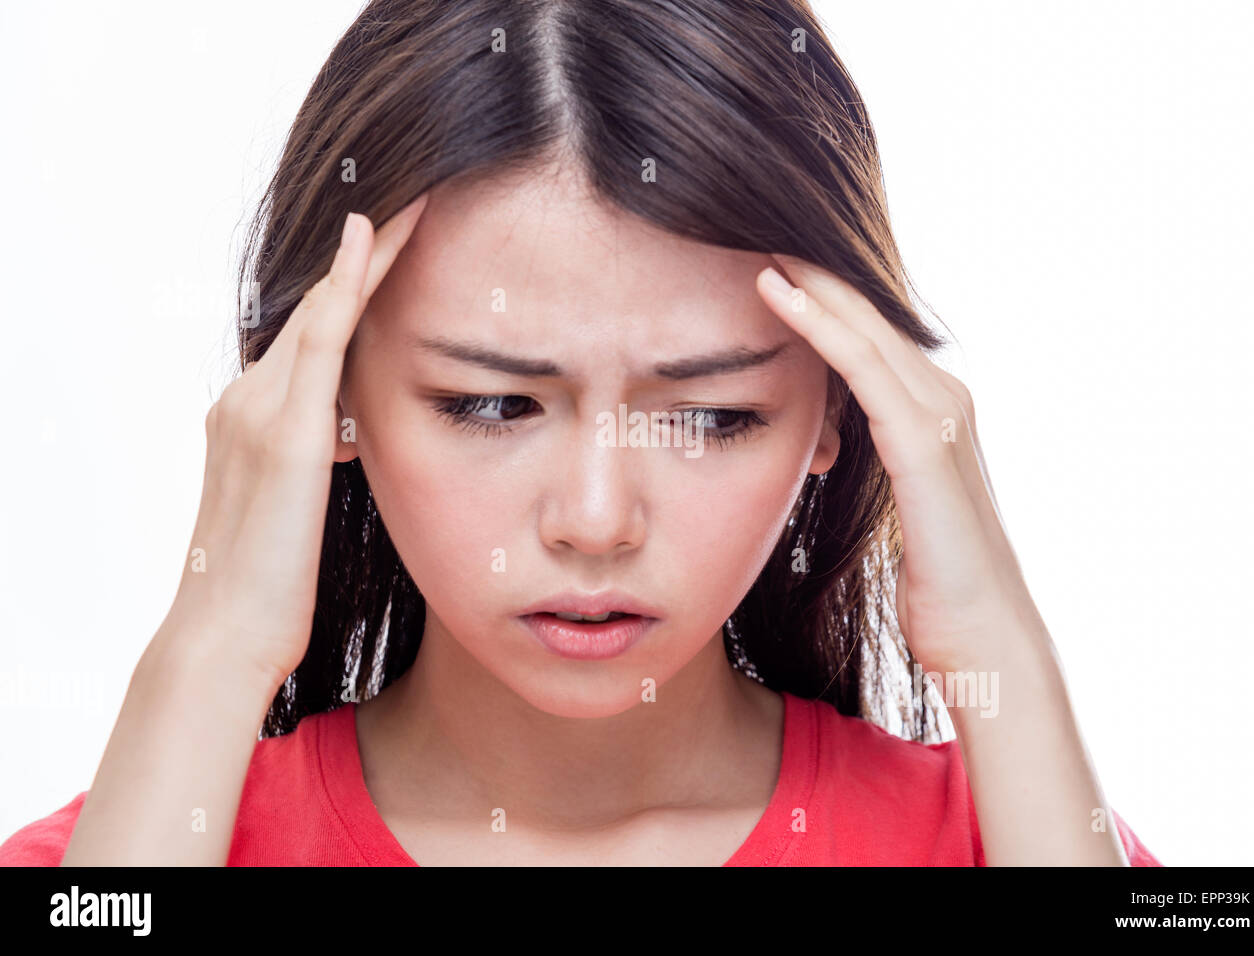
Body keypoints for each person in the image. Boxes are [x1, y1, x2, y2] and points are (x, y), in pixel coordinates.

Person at [0, 0, 1160, 866]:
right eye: (492, 403)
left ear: (838, 412)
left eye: (712, 413)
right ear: (325, 399)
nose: (595, 521)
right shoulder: (133, 848)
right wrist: (209, 645)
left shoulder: (1017, 833)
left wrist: (999, 640)